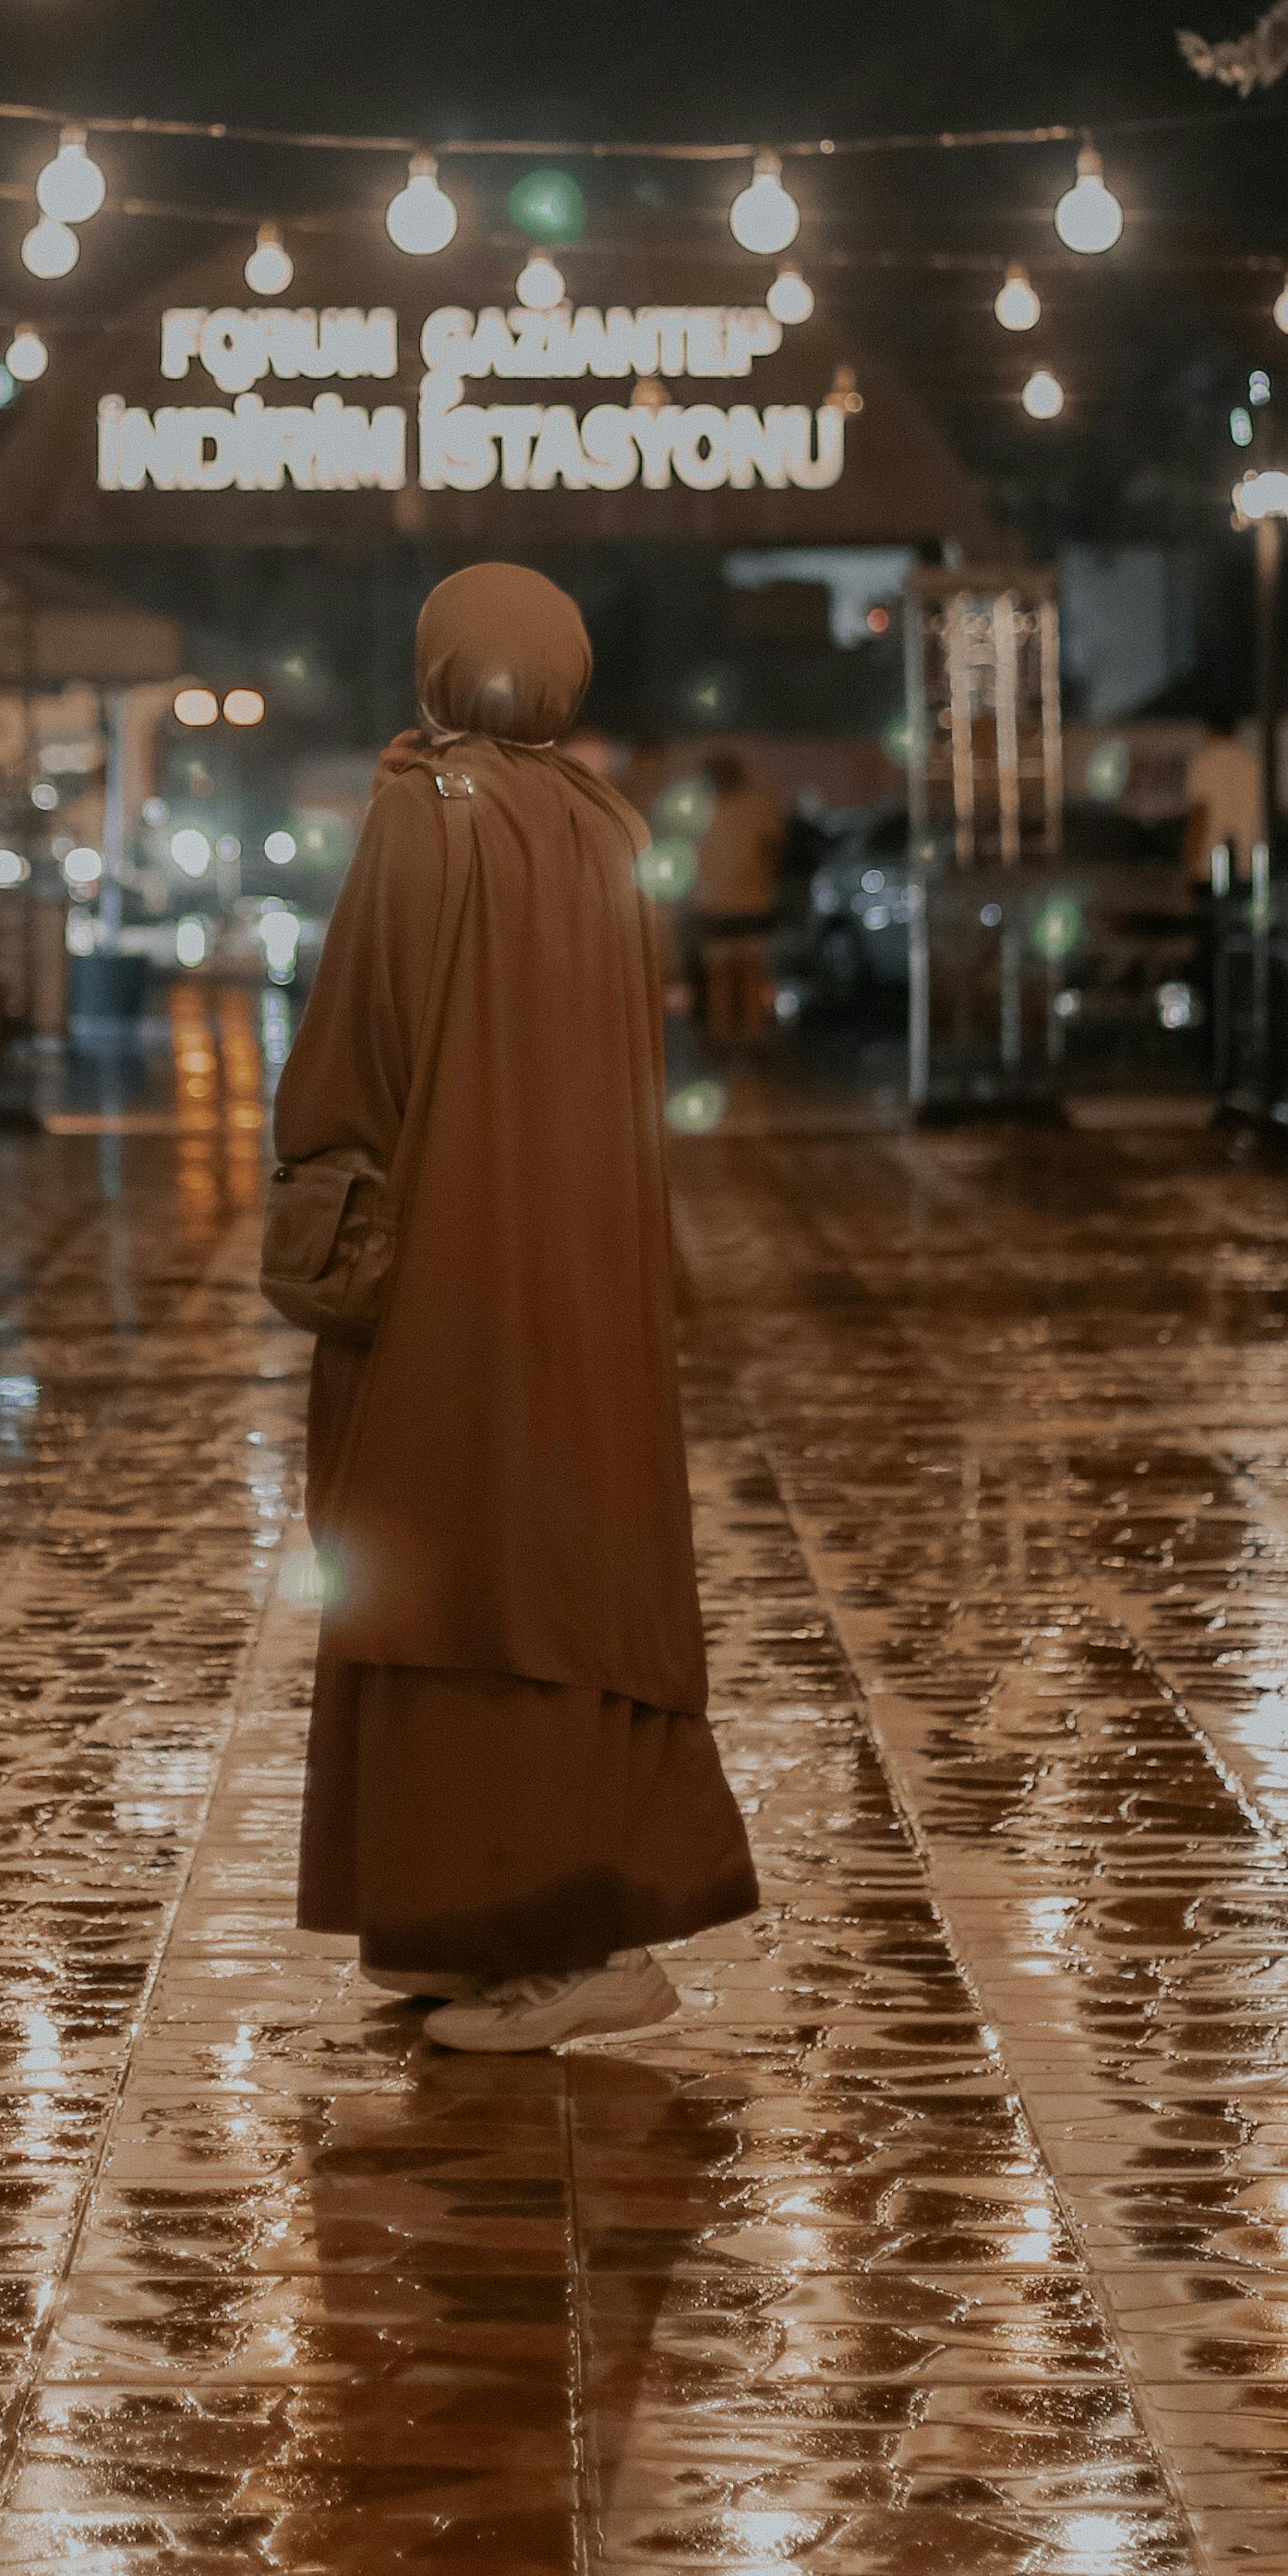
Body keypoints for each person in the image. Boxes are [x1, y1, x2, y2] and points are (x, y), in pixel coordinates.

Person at [275, 560, 759, 2054]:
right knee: (553, 1570)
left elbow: (355, 1051)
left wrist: (320, 1186)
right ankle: (483, 1933)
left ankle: (559, 1947)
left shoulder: (423, 817)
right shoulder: (607, 829)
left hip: (446, 1273)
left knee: (445, 1570)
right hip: (585, 1273)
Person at [692, 743, 789, 1051]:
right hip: (751, 903)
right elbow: (774, 850)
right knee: (749, 976)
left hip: (715, 906)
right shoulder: (758, 806)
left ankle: (724, 1038)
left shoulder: (700, 809)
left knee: (721, 978)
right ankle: (750, 1035)